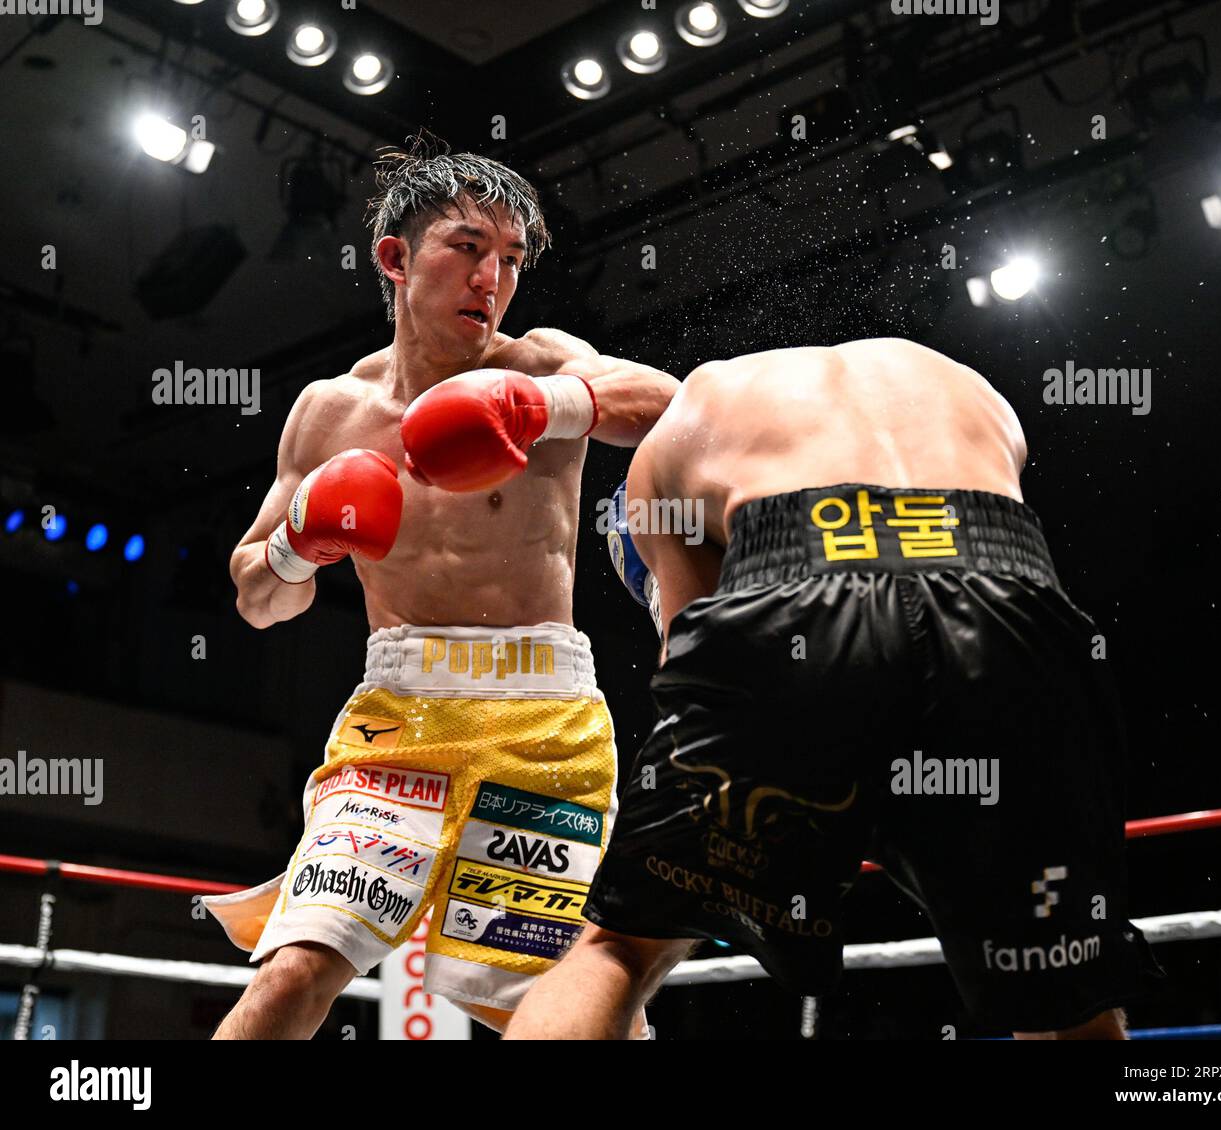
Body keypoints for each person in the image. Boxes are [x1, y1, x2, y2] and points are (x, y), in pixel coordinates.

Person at [506, 337, 1163, 1040]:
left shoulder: (667, 448)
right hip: (1005, 590)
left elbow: (688, 664)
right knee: (1067, 994)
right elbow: (946, 579)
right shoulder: (957, 378)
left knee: (621, 947)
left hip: (794, 579)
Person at [203, 142, 679, 1038]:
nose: (490, 278)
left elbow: (669, 405)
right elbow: (258, 599)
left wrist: (545, 406)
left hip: (541, 722)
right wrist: (301, 546)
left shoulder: (541, 364)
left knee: (540, 1007)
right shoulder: (330, 412)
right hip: (396, 720)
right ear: (395, 258)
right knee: (292, 972)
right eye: (468, 247)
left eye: (509, 259)